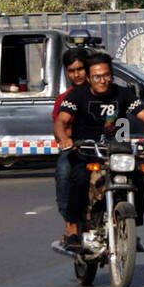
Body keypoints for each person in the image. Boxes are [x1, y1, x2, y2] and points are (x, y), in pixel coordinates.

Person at [55, 52, 144, 252]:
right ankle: (72, 228)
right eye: (97, 77)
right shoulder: (77, 95)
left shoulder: (123, 94)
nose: (103, 81)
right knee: (78, 178)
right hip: (87, 151)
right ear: (89, 78)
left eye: (107, 75)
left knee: (140, 176)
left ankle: (132, 224)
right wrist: (64, 138)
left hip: (118, 151)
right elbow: (61, 121)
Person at [52, 47, 90, 241]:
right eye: (71, 70)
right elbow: (60, 126)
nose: (76, 74)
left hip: (102, 147)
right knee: (64, 171)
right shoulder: (64, 99)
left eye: (80, 69)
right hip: (76, 149)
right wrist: (67, 140)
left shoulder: (106, 93)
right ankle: (71, 224)